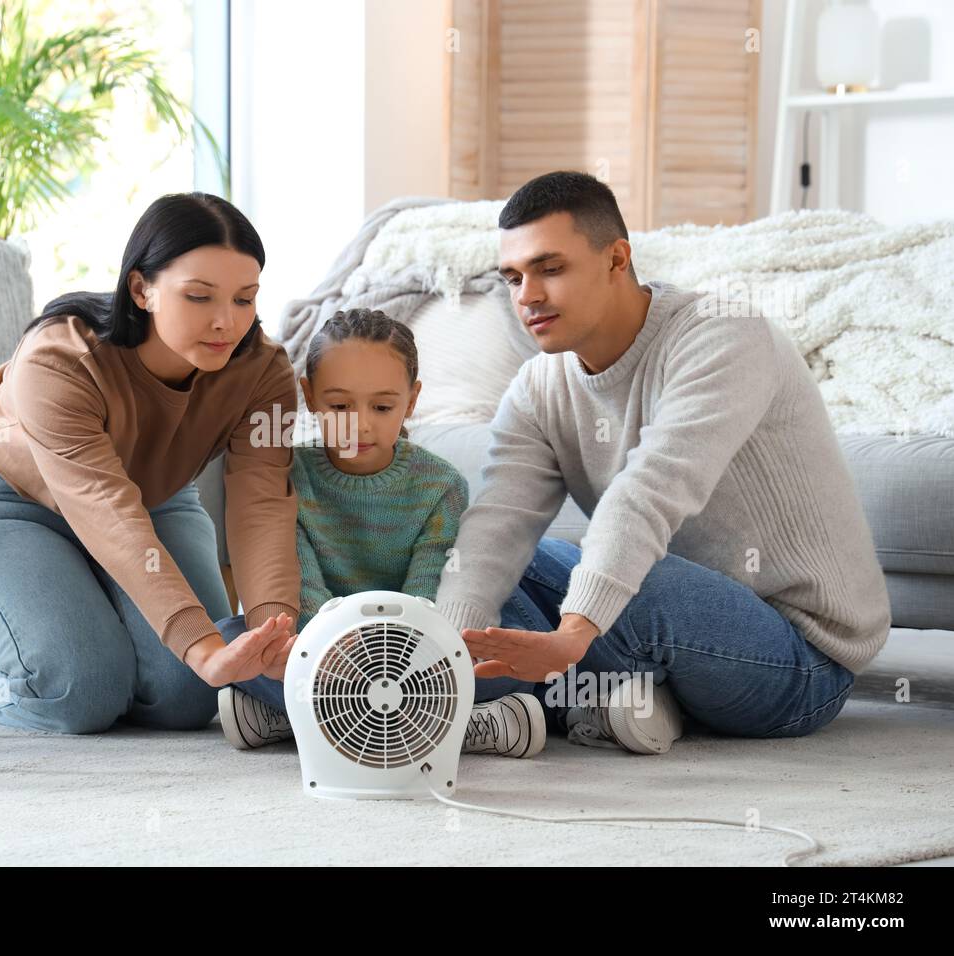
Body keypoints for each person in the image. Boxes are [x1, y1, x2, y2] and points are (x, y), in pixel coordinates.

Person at [433, 170, 891, 755]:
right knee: (493, 557)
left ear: (617, 259)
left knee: (626, 570)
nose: (528, 296)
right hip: (660, 620)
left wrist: (574, 632)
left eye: (551, 268)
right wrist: (443, 652)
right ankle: (603, 697)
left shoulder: (724, 333)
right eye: (514, 277)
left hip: (800, 660)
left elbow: (648, 490)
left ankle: (572, 693)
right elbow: (498, 523)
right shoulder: (537, 386)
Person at [0, 192, 301, 734]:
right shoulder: (59, 357)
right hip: (12, 505)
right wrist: (197, 645)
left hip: (153, 501)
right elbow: (105, 512)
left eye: (245, 299)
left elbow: (262, 504)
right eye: (199, 297)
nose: (227, 322)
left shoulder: (263, 372)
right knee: (82, 692)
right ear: (141, 288)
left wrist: (275, 639)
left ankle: (69, 618)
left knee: (194, 697)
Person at [214, 308, 547, 759]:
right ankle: (451, 725)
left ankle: (300, 718)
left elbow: (431, 597)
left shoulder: (441, 485)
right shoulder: (287, 475)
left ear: (411, 401)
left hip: (415, 653)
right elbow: (302, 593)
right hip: (325, 650)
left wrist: (392, 662)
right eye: (339, 405)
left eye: (383, 406)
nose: (360, 424)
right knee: (231, 638)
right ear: (309, 396)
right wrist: (340, 656)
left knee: (509, 646)